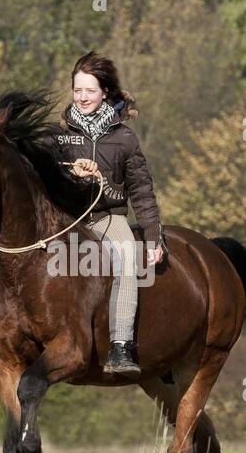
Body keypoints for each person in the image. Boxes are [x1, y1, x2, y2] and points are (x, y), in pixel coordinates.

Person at [51, 51, 167, 375]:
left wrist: (153, 237)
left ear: (104, 93)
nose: (83, 97)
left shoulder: (125, 139)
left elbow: (142, 191)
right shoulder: (58, 136)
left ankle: (120, 346)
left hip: (107, 219)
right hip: (65, 220)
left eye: (90, 90)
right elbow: (42, 172)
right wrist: (70, 168)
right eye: (77, 90)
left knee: (128, 256)